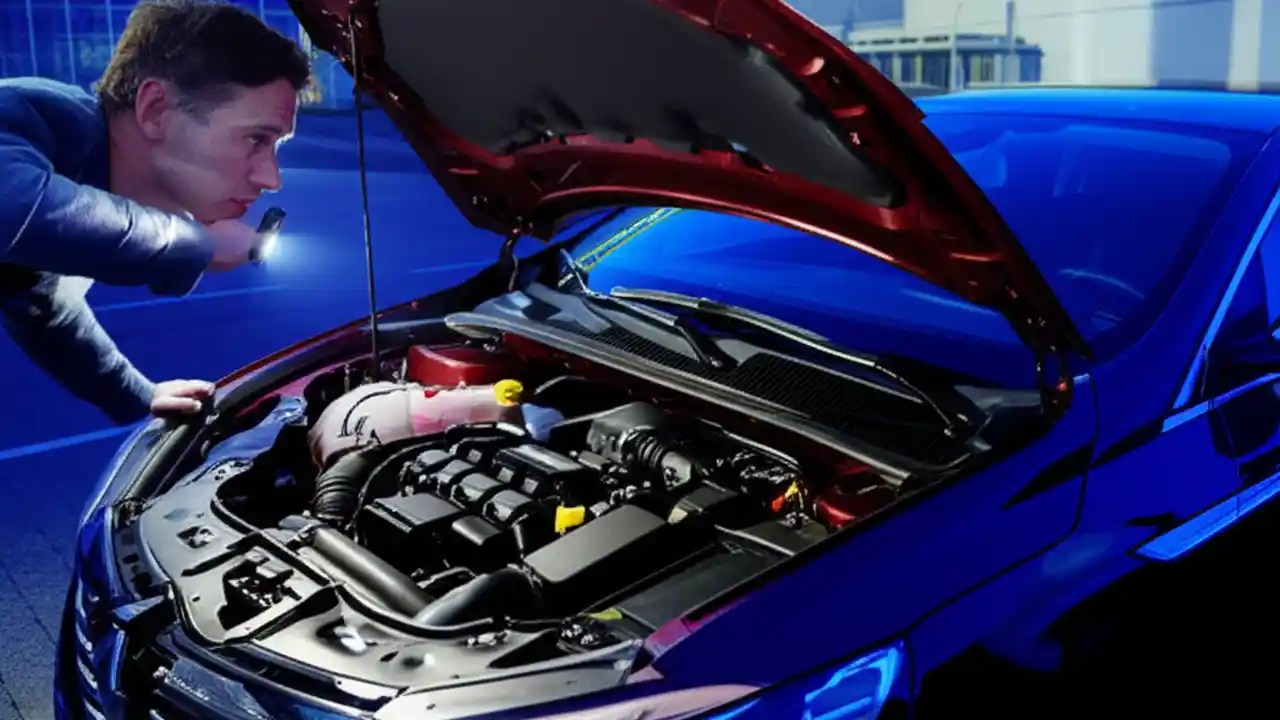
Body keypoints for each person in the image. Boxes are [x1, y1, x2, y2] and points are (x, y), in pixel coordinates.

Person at [0, 0, 311, 424]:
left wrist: (136, 393)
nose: (271, 178)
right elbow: (20, 212)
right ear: (156, 111)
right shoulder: (23, 116)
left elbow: (43, 303)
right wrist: (195, 244)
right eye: (256, 139)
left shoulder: (77, 172)